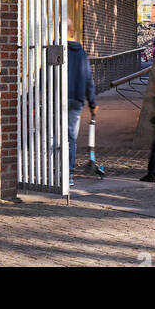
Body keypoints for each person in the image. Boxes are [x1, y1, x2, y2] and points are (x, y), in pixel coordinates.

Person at [66, 18, 96, 186]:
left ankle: (55, 172)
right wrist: (92, 103)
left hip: (58, 99)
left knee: (54, 137)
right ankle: (69, 175)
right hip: (76, 101)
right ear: (72, 31)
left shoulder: (55, 49)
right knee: (70, 138)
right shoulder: (81, 52)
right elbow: (88, 78)